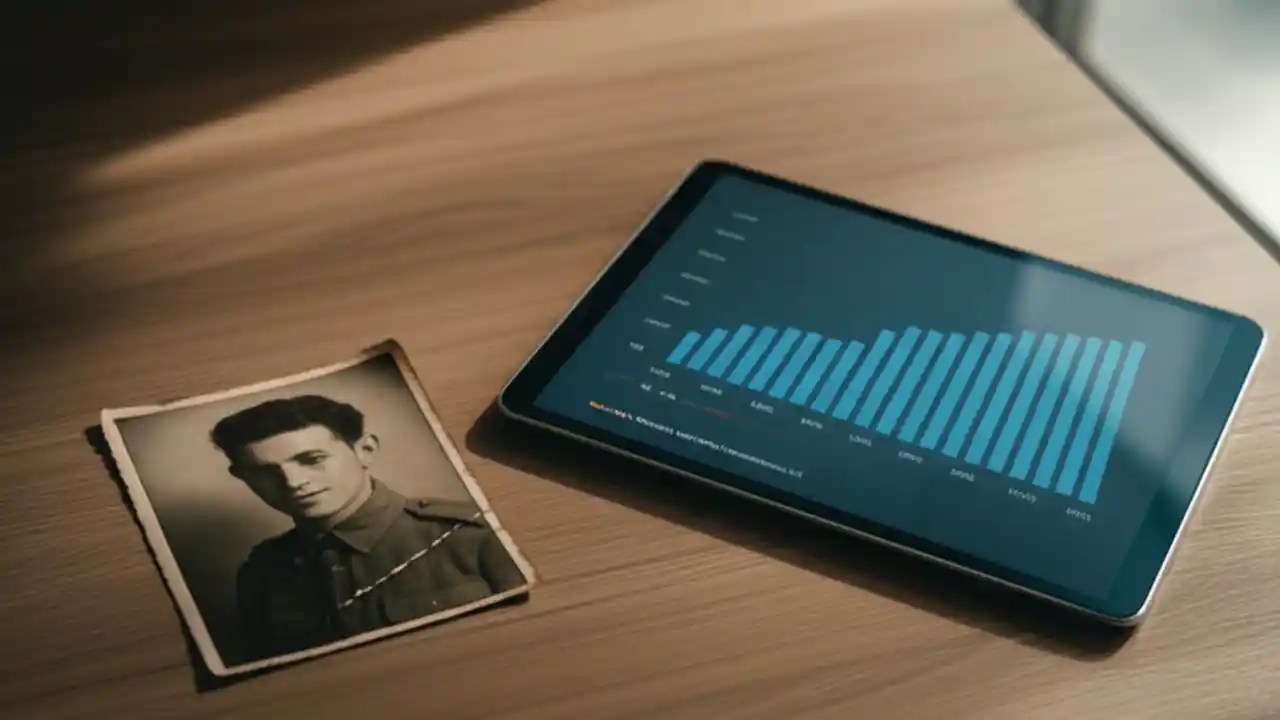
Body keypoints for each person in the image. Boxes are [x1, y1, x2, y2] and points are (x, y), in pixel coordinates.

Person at [210, 395, 524, 659]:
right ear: (242, 477)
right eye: (265, 472)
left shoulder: (475, 534)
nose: (294, 483)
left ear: (365, 451)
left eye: (311, 459)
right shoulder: (262, 572)